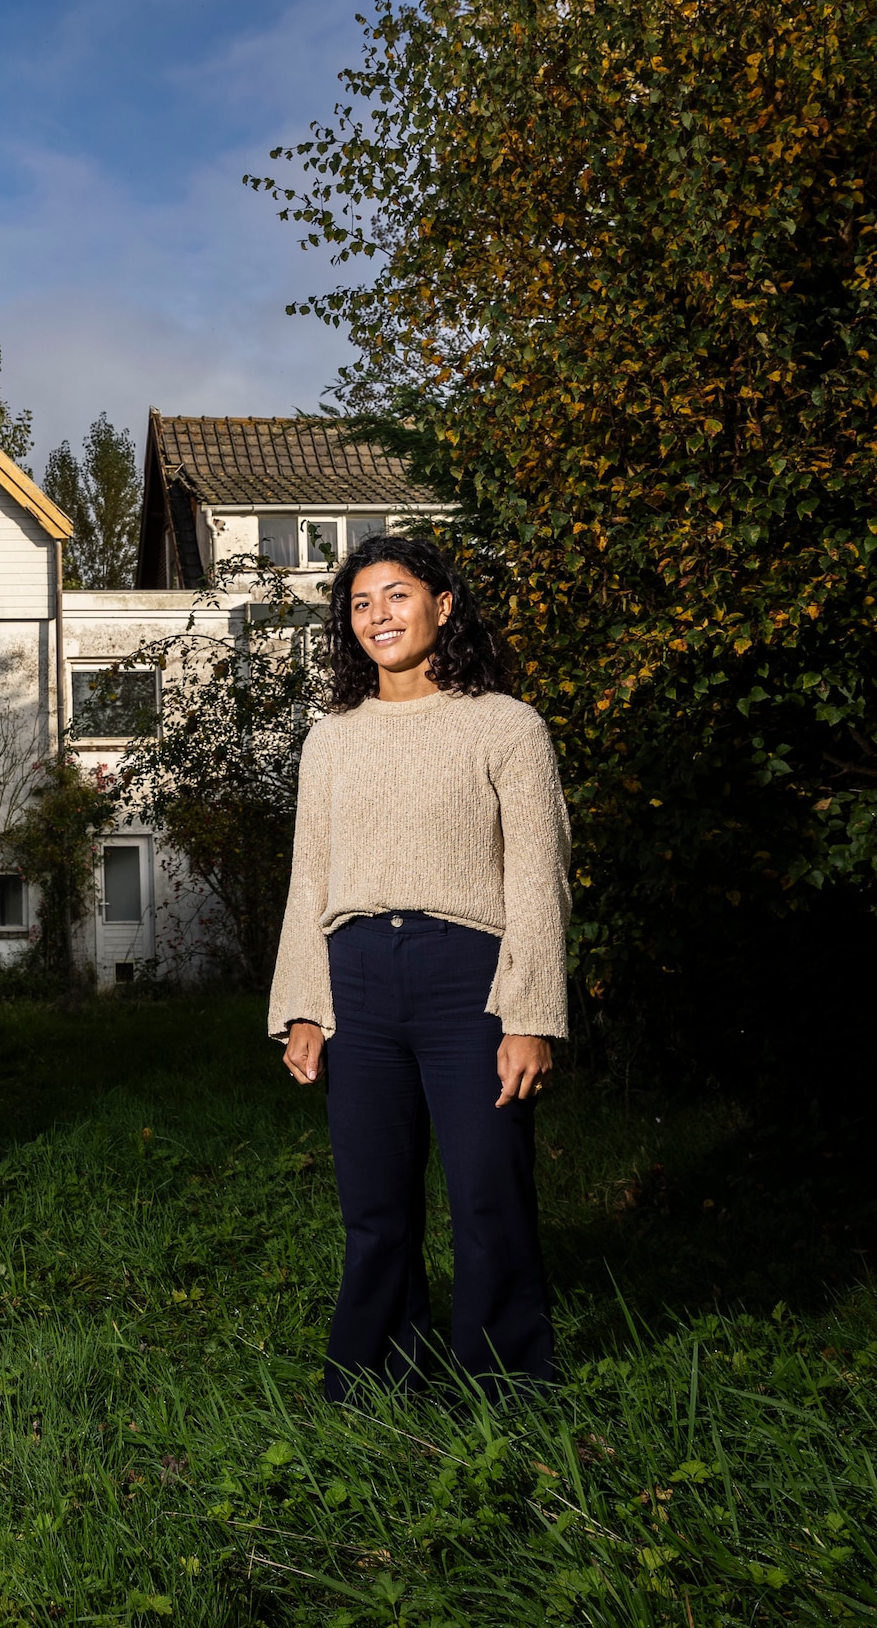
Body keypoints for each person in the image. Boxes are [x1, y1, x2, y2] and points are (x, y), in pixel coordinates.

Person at [270, 533, 570, 1403]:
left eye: (396, 596)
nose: (378, 616)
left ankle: (505, 1384)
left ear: (442, 604)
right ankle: (370, 1384)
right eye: (361, 604)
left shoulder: (507, 726)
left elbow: (538, 880)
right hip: (356, 974)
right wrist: (302, 1003)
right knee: (374, 1208)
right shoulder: (330, 739)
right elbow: (309, 880)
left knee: (487, 1194)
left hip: (467, 975)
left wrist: (530, 1013)